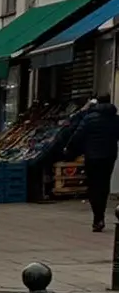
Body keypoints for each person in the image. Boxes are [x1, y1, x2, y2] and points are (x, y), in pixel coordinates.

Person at [60, 93, 119, 230]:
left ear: (97, 102)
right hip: (109, 156)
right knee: (104, 185)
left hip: (92, 157)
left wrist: (69, 149)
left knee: (93, 186)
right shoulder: (115, 119)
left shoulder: (89, 118)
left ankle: (98, 218)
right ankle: (101, 215)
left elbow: (77, 135)